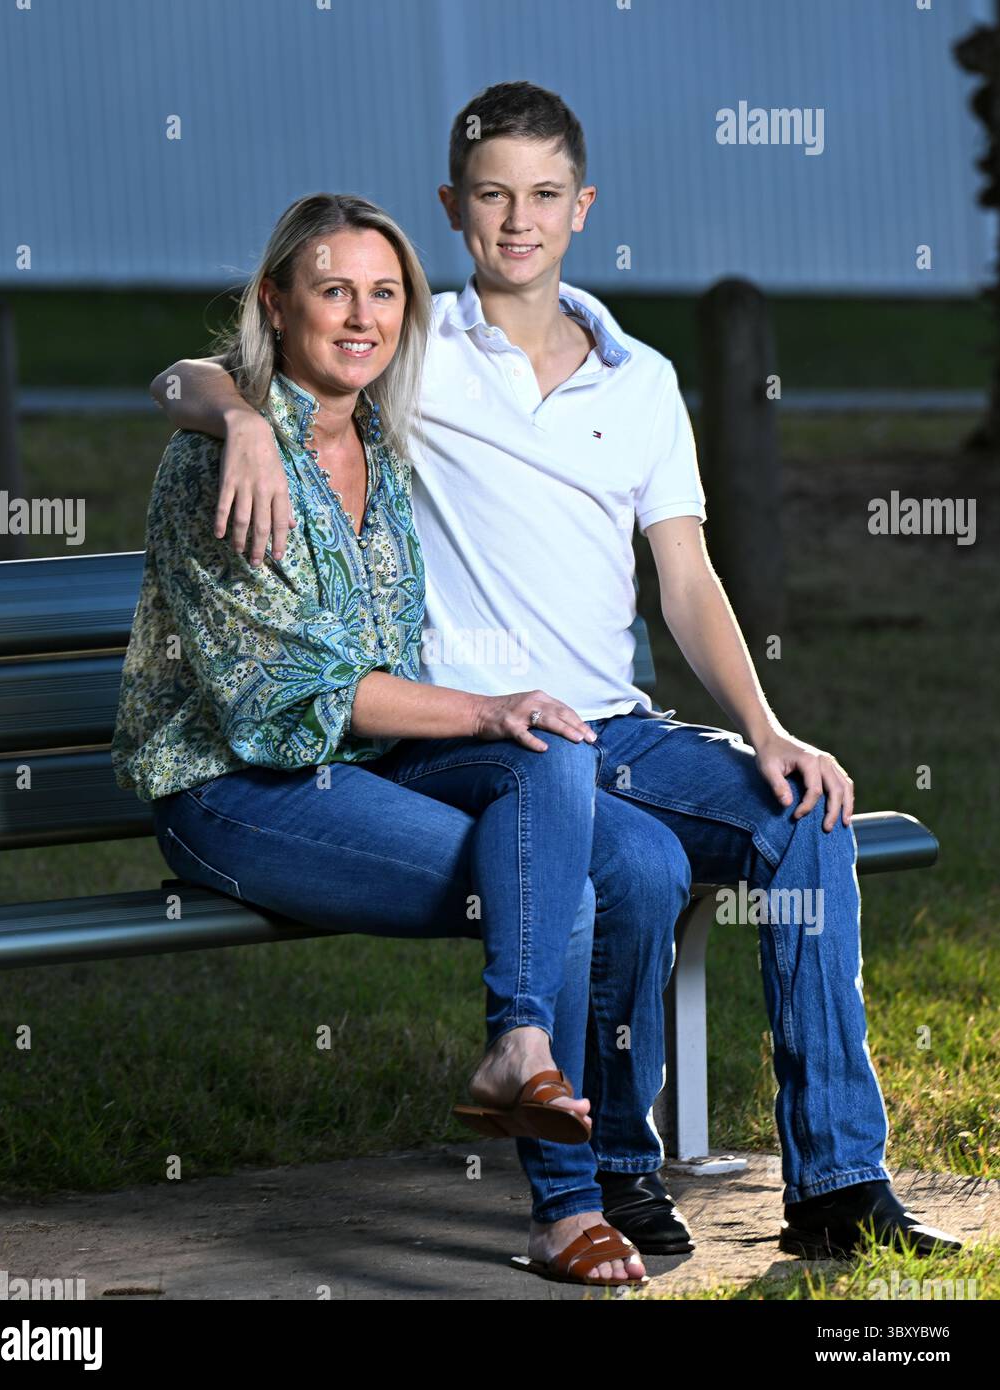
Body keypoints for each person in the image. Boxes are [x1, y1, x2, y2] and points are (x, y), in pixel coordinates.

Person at [147, 81, 965, 1265]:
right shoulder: (409, 348)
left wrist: (767, 727)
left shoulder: (641, 384)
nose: (516, 221)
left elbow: (683, 579)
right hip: (463, 741)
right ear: (453, 207)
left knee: (808, 819)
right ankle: (613, 1173)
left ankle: (837, 1183)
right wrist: (243, 421)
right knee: (623, 867)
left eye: (541, 196)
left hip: (614, 728)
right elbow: (205, 371)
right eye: (490, 197)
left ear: (581, 207)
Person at [114, 190, 693, 1288]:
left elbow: (183, 379)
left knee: (561, 760)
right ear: (275, 306)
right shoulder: (219, 464)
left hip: (368, 763)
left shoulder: (384, 428)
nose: (361, 316)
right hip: (239, 787)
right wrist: (237, 419)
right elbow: (292, 699)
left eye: (385, 293)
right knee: (558, 888)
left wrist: (511, 711)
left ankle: (547, 1078)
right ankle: (563, 1204)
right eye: (333, 290)